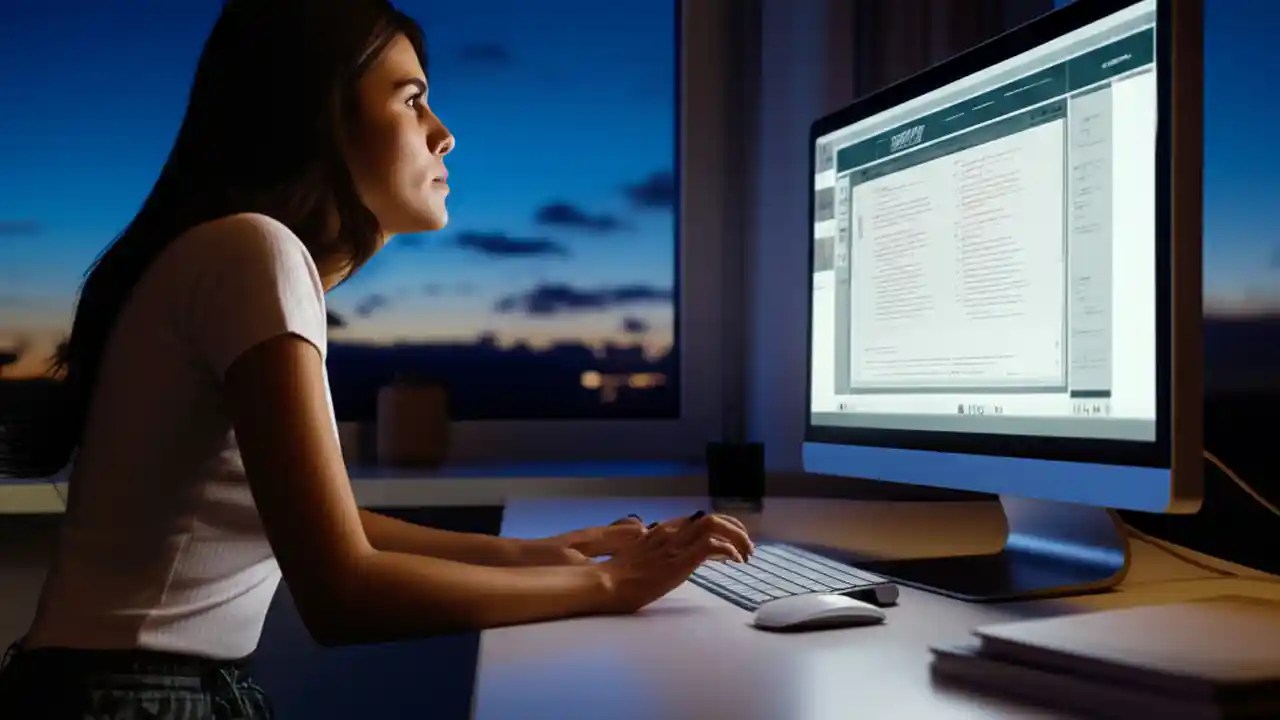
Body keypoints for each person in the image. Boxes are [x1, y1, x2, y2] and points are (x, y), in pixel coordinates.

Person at [0, 1, 754, 717]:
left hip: (115, 688)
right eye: (411, 99)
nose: (443, 132)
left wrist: (534, 555)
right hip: (131, 698)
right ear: (320, 115)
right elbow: (343, 590)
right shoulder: (254, 252)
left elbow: (321, 524)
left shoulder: (233, 254)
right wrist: (614, 586)